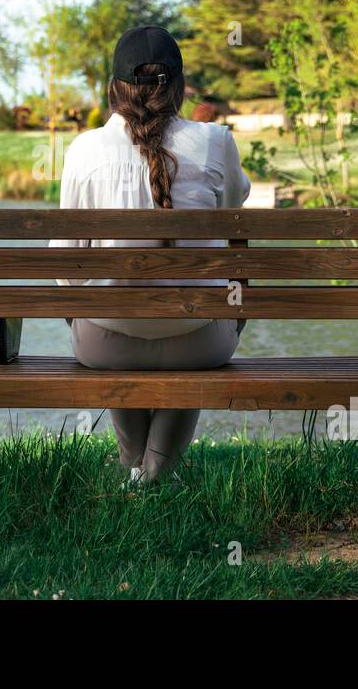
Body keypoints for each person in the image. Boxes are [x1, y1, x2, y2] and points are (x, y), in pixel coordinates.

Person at [51, 25, 252, 484]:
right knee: (210, 311)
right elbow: (232, 210)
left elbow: (65, 263)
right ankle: (157, 472)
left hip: (104, 345)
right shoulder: (216, 141)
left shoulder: (84, 149)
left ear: (115, 87)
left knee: (100, 312)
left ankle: (136, 470)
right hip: (201, 342)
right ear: (178, 85)